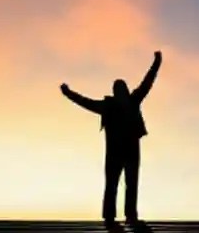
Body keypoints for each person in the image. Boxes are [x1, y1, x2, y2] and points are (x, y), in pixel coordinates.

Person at [60, 50, 162, 223]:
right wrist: (68, 93)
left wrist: (157, 62)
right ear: (115, 92)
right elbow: (85, 102)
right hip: (114, 151)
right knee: (112, 185)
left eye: (122, 88)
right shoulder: (108, 106)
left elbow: (147, 82)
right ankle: (109, 216)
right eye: (118, 88)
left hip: (130, 150)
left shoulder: (134, 100)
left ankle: (130, 215)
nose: (121, 91)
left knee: (131, 183)